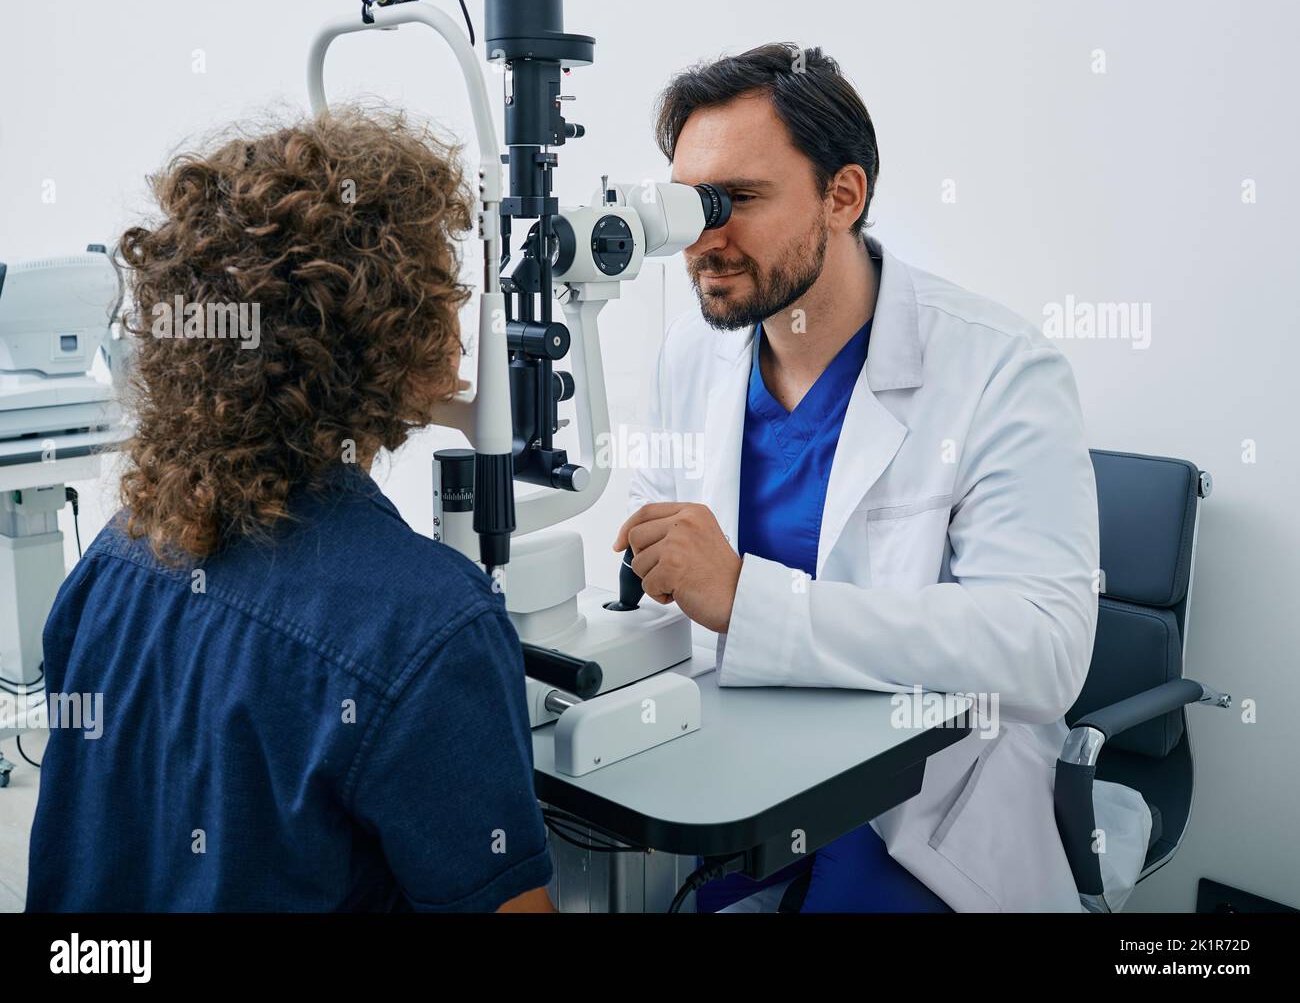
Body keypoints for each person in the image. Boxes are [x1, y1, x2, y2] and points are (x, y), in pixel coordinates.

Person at [614, 44, 1113, 911]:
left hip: (922, 800)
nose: (703, 237)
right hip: (736, 766)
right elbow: (653, 564)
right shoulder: (691, 355)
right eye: (688, 202)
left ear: (842, 196)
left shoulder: (1000, 368)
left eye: (737, 200)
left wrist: (748, 599)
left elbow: (1043, 648)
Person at [26, 108, 553, 913]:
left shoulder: (111, 562)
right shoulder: (431, 628)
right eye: (444, 283)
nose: (459, 308)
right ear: (395, 329)